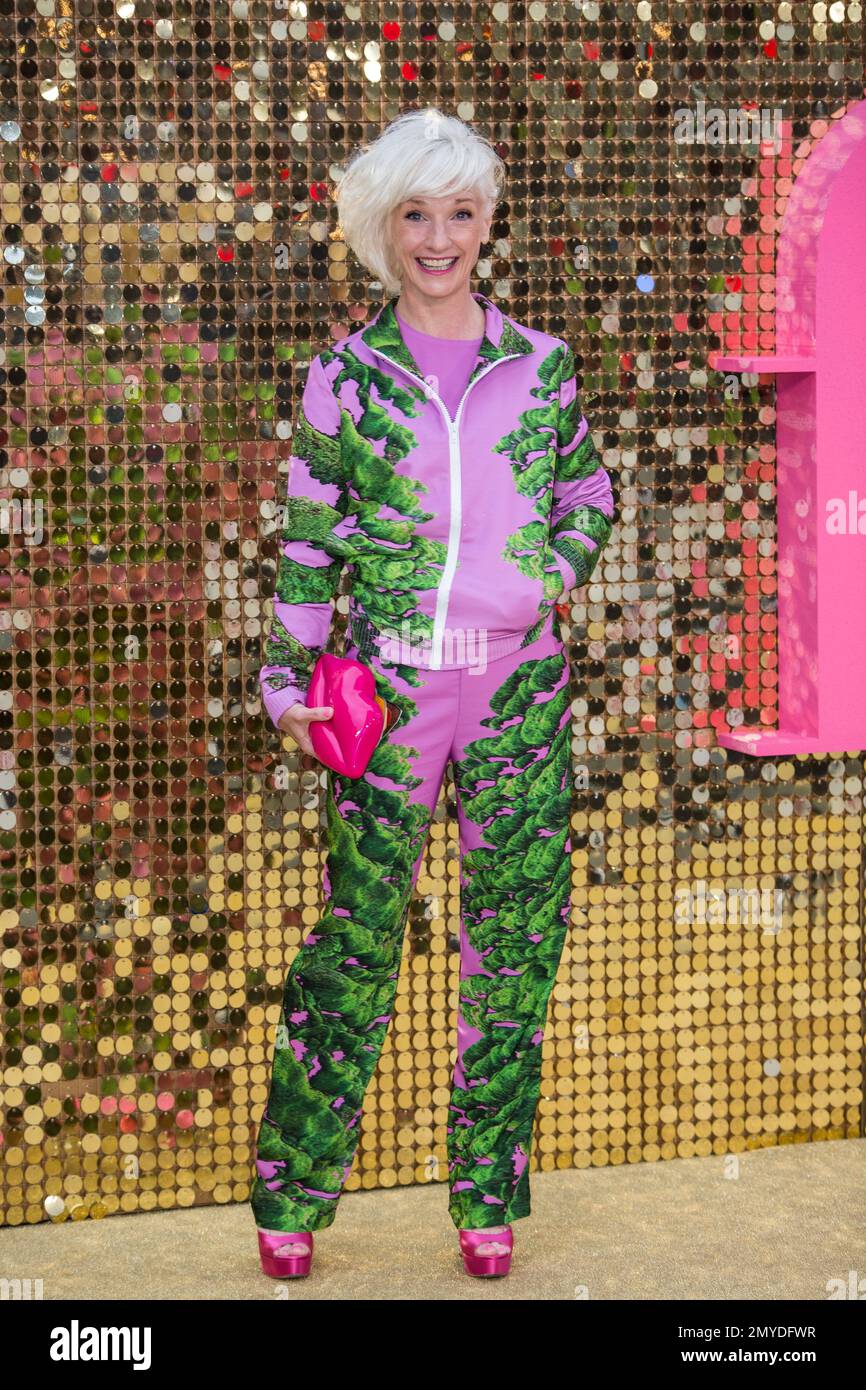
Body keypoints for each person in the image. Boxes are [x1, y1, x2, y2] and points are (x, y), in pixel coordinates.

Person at [251, 106, 616, 1280]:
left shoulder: (540, 363)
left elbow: (589, 498)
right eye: (415, 212)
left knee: (511, 943)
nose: (439, 235)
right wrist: (281, 682)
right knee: (352, 945)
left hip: (518, 691)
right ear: (380, 228)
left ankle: (485, 1197)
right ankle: (291, 1196)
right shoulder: (344, 379)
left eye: (459, 211)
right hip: (393, 693)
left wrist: (541, 587)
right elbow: (308, 549)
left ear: (486, 221)